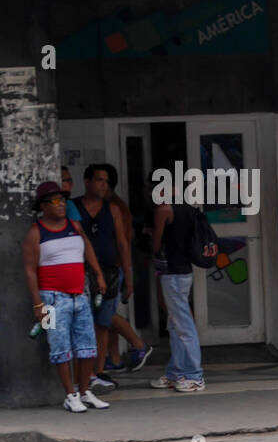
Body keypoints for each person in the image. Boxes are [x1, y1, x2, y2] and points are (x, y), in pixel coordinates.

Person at [20, 181, 110, 412]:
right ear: (43, 206)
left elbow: (87, 248)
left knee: (87, 346)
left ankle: (84, 391)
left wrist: (98, 275)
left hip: (79, 295)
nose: (62, 205)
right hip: (51, 299)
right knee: (59, 347)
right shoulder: (35, 232)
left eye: (63, 201)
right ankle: (70, 395)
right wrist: (37, 304)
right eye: (56, 201)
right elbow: (30, 270)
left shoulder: (74, 225)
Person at [95, 163, 152, 374]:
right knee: (107, 314)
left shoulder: (112, 207)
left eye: (102, 181)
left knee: (104, 314)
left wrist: (127, 274)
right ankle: (115, 358)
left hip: (113, 267)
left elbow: (123, 242)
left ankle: (138, 344)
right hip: (112, 267)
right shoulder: (109, 204)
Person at [149, 183, 205, 392]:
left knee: (182, 325)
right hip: (185, 271)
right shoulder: (189, 207)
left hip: (172, 272)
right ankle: (176, 372)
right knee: (175, 324)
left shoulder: (164, 209)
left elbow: (156, 244)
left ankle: (194, 375)